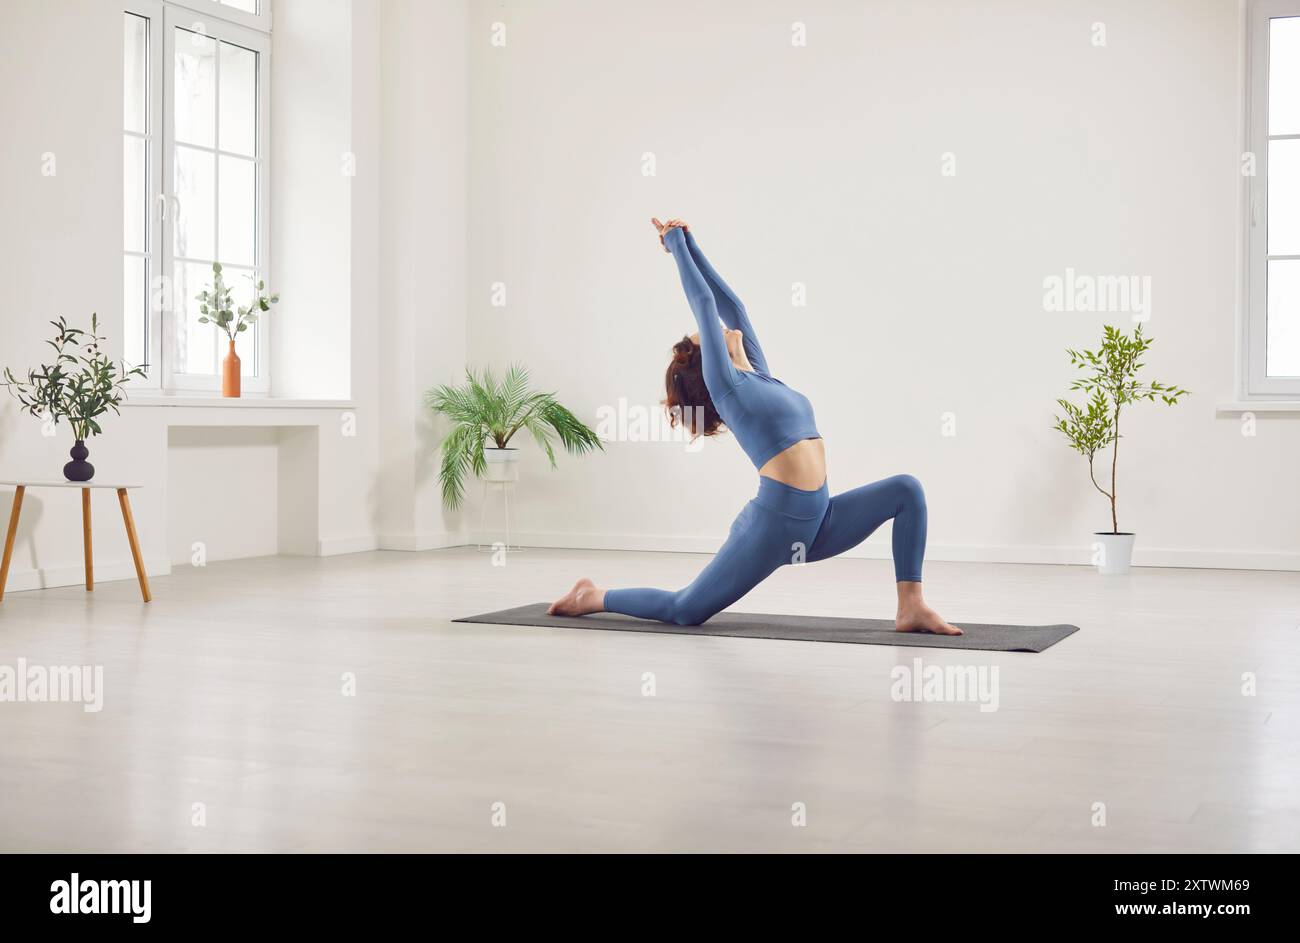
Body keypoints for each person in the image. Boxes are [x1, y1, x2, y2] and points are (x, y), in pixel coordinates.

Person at [549, 218, 960, 635]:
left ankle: (911, 606)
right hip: (773, 527)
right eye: (706, 336)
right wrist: (673, 243)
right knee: (685, 608)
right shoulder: (728, 388)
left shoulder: (758, 374)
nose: (723, 329)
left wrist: (691, 243)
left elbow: (733, 307)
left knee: (906, 490)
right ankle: (593, 597)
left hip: (820, 518)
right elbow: (705, 305)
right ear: (708, 360)